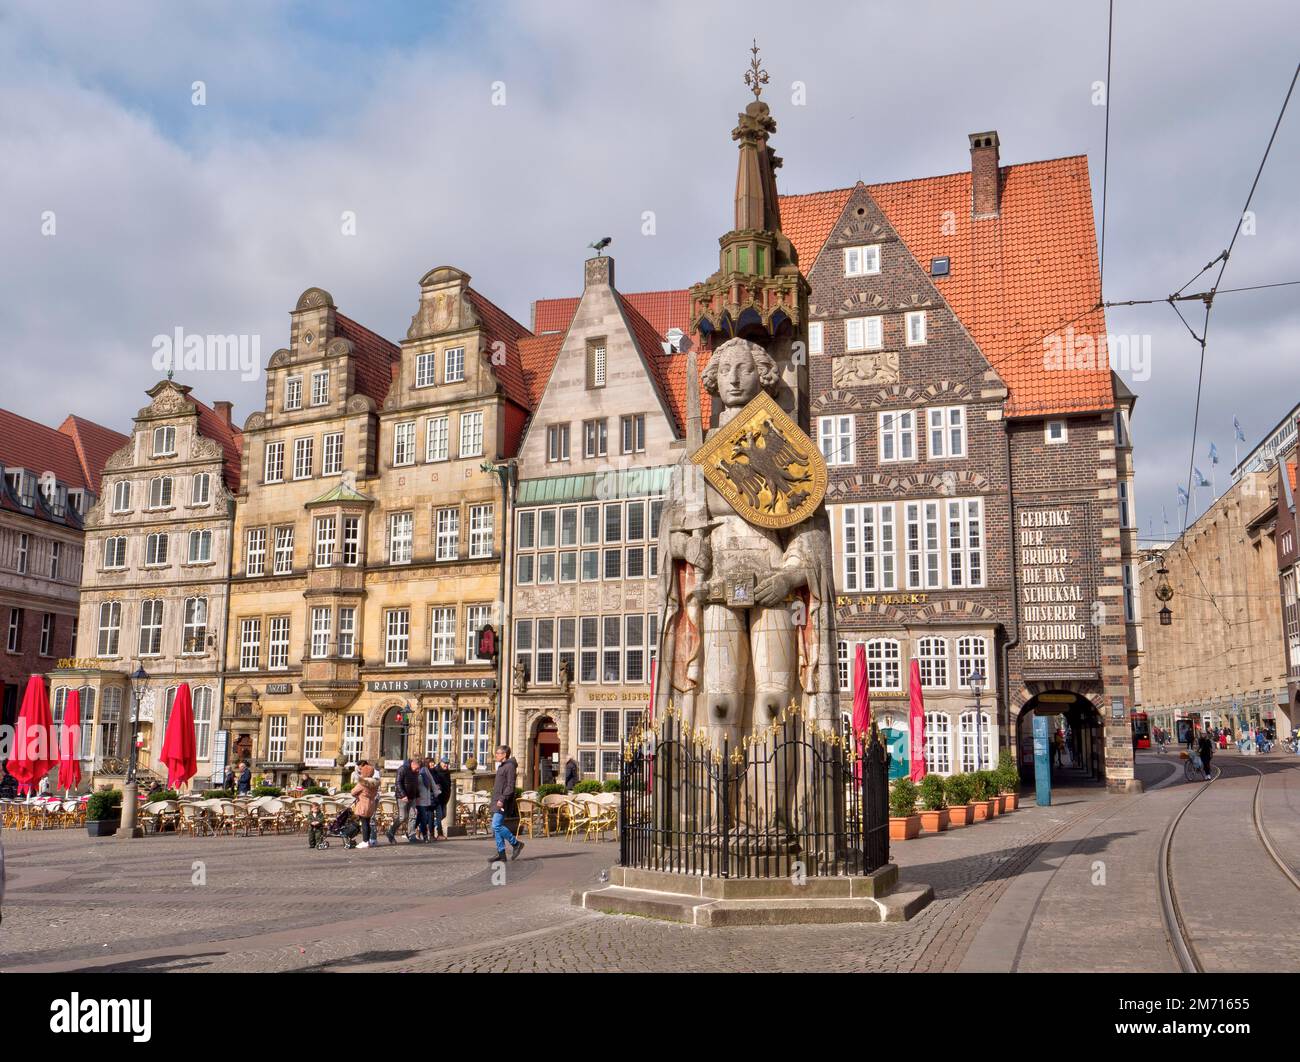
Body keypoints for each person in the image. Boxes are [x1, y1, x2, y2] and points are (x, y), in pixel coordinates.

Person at [489, 745, 524, 863]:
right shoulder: (502, 766)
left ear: (504, 755)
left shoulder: (509, 767)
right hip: (497, 800)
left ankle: (516, 843)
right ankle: (501, 853)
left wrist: (502, 799)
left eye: (498, 753)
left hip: (502, 802)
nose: (496, 755)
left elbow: (510, 786)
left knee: (496, 826)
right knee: (497, 828)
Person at [387, 757, 422, 844]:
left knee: (413, 816)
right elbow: (398, 783)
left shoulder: (415, 772)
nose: (418, 770)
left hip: (412, 797)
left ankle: (411, 836)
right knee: (402, 817)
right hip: (402, 797)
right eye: (417, 768)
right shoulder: (402, 769)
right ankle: (391, 832)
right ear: (413, 764)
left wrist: (417, 796)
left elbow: (416, 784)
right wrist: (403, 795)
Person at [350, 763, 380, 847]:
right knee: (368, 822)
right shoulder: (375, 783)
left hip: (363, 804)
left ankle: (365, 841)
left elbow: (353, 792)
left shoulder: (362, 783)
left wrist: (357, 796)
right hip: (371, 804)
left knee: (364, 823)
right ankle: (369, 840)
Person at [415, 758, 439, 842]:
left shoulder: (425, 770)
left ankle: (411, 831)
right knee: (423, 818)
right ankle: (425, 836)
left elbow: (431, 781)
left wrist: (436, 792)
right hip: (419, 799)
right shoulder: (415, 772)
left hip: (426, 798)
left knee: (420, 818)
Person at [432, 758, 453, 839]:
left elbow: (449, 784)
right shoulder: (435, 770)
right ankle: (439, 833)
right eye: (445, 763)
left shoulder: (447, 772)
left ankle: (428, 825)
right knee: (439, 815)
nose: (446, 765)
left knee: (443, 815)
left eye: (447, 764)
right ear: (440, 763)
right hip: (438, 797)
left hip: (445, 797)